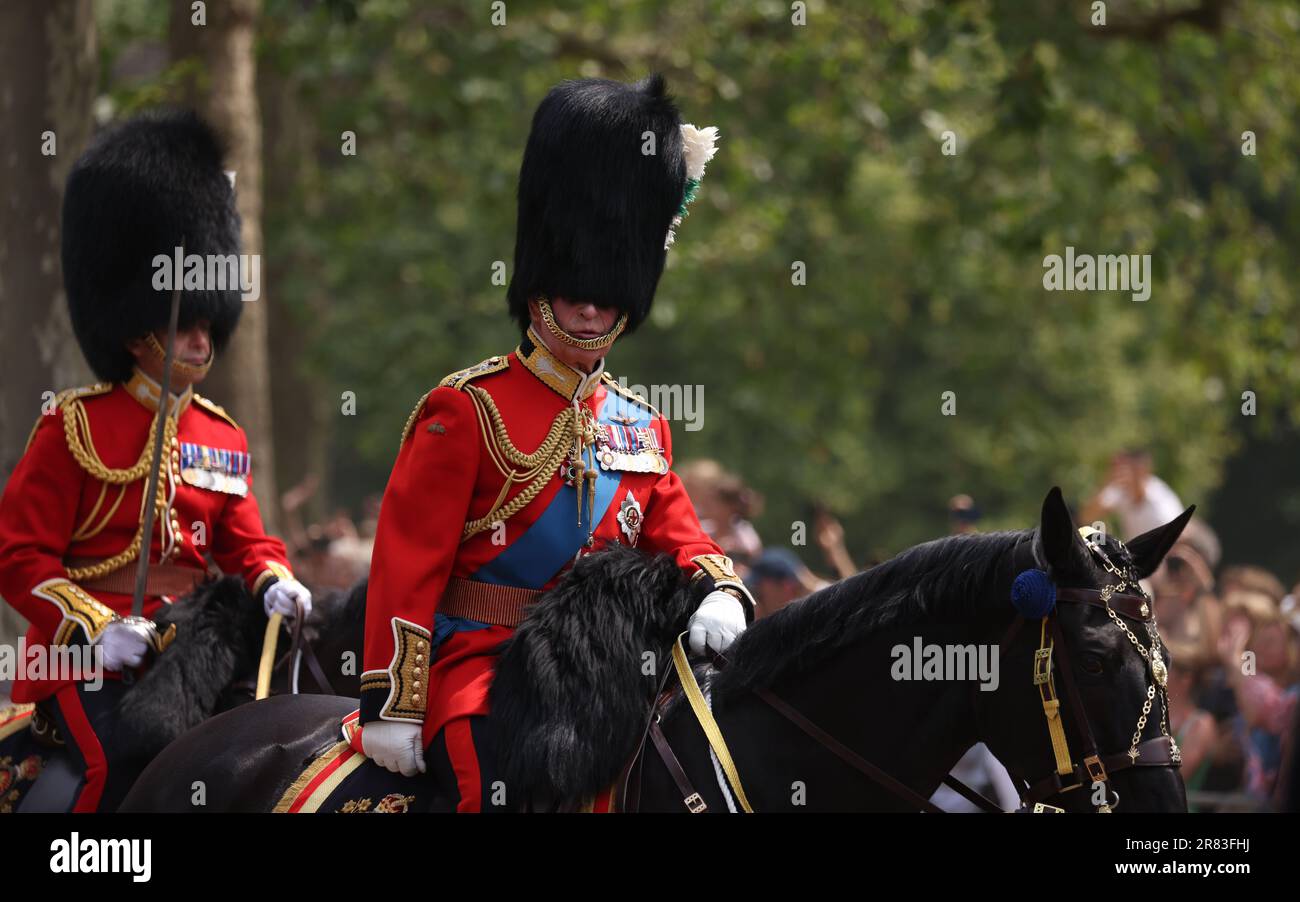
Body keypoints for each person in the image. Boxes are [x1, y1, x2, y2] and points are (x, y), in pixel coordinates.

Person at [353, 75, 756, 811]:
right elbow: (405, 567)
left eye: (608, 288)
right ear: (542, 277)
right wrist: (394, 702)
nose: (591, 301)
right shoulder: (466, 407)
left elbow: (682, 538)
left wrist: (718, 591)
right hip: (482, 667)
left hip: (611, 675)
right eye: (576, 283)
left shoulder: (642, 423)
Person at [0, 110, 310, 812]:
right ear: (136, 329)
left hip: (196, 648)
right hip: (86, 660)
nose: (202, 341)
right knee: (116, 769)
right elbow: (20, 558)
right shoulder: (73, 425)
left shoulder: (222, 435)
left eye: (210, 325)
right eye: (187, 324)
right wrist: (93, 630)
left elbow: (245, 539)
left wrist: (274, 579)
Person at [1080, 449, 1184, 540]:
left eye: (1129, 467)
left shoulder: (1159, 498)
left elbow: (1178, 535)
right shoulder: (1121, 491)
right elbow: (1086, 516)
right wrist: (1107, 482)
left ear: (1142, 470)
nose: (1123, 472)